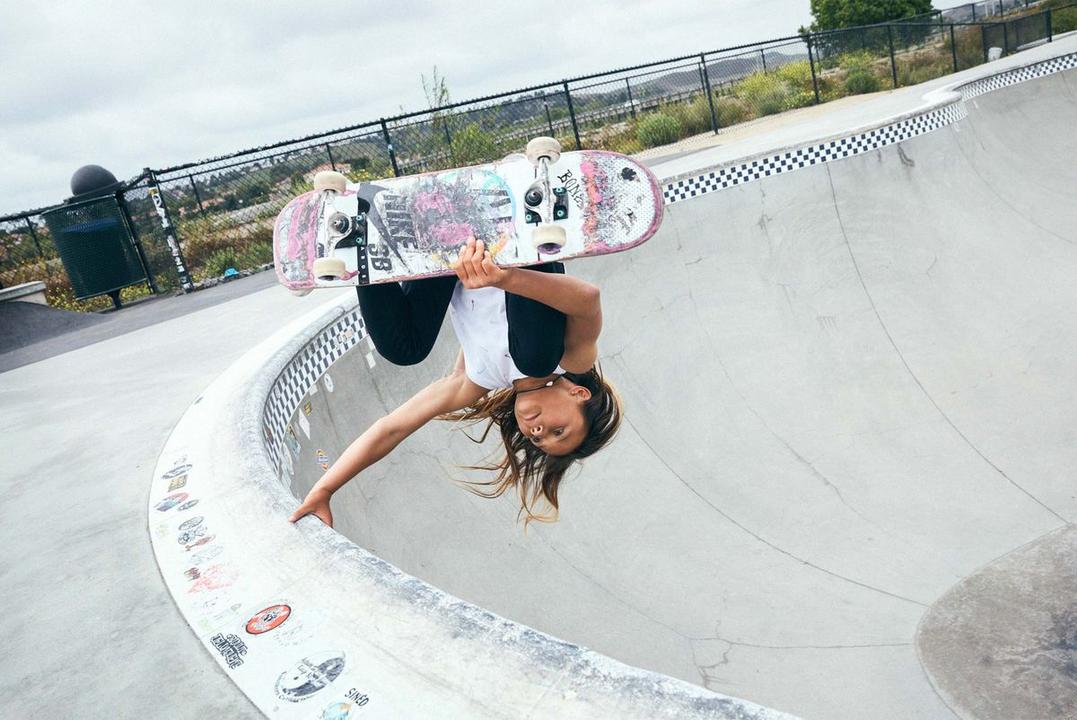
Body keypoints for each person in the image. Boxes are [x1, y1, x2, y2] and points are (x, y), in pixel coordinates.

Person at [288, 238, 622, 531]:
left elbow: (391, 428)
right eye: (558, 430)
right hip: (513, 246)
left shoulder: (474, 381)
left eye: (538, 440)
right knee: (536, 359)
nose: (538, 432)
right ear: (578, 393)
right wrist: (504, 278)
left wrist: (325, 490)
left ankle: (358, 246)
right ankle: (519, 238)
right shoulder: (572, 360)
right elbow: (588, 299)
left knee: (405, 351)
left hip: (449, 257)